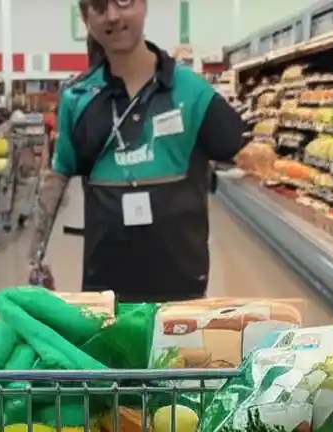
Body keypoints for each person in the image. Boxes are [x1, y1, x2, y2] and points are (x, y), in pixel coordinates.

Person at [23, 0, 245, 302]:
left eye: (123, 2)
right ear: (86, 16)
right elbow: (58, 177)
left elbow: (243, 147)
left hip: (182, 288)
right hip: (105, 289)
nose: (113, 15)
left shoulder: (192, 91)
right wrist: (35, 257)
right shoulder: (77, 98)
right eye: (99, 6)